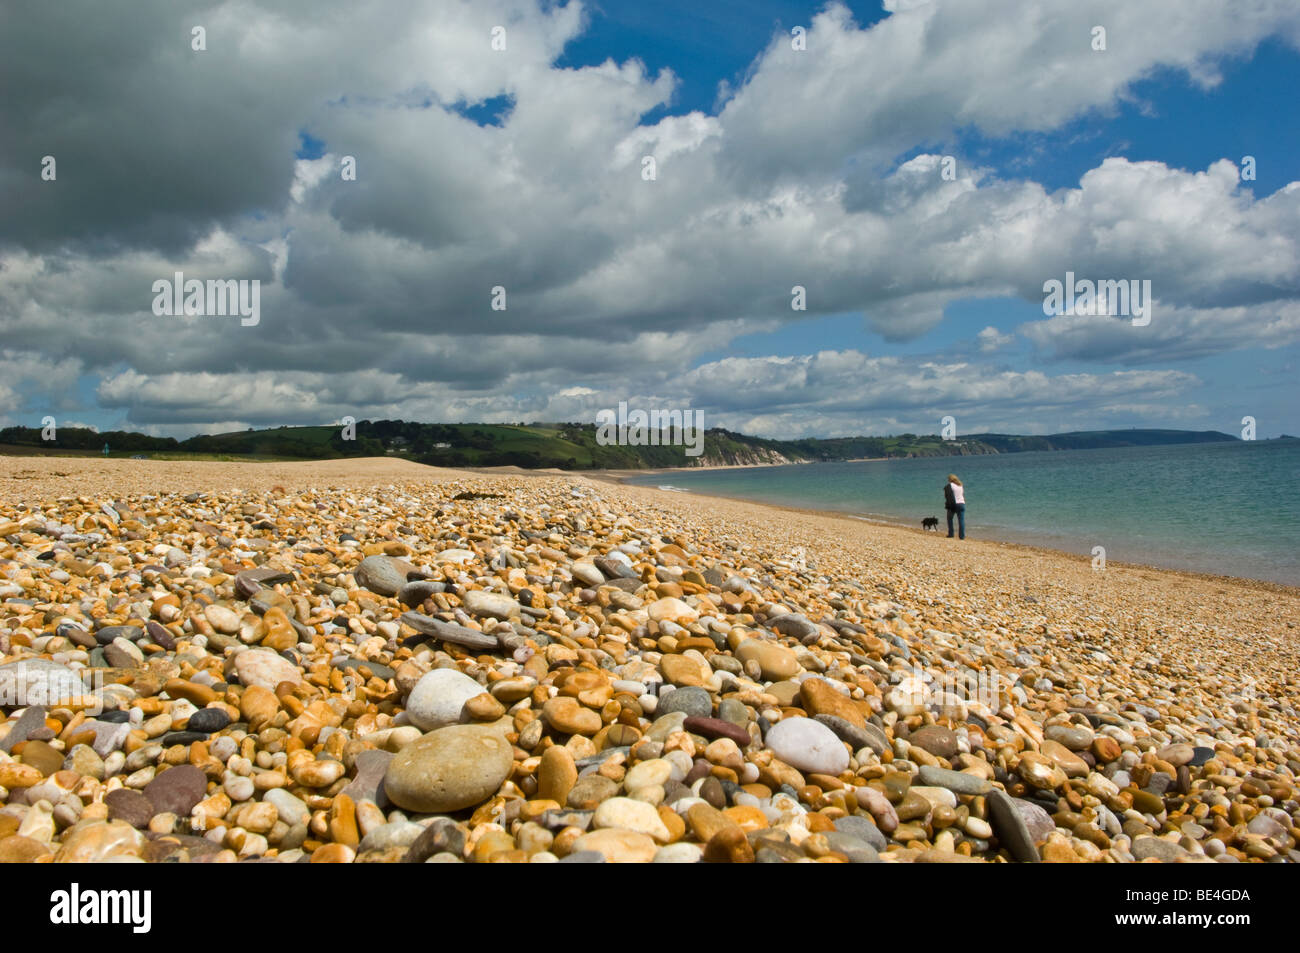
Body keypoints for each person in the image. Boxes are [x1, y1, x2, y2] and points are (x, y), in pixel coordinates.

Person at [943, 473, 966, 539]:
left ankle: (951, 534)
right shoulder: (960, 485)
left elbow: (947, 496)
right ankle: (962, 536)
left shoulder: (950, 485)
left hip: (953, 504)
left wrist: (948, 505)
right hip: (962, 503)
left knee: (950, 519)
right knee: (961, 521)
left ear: (950, 479)